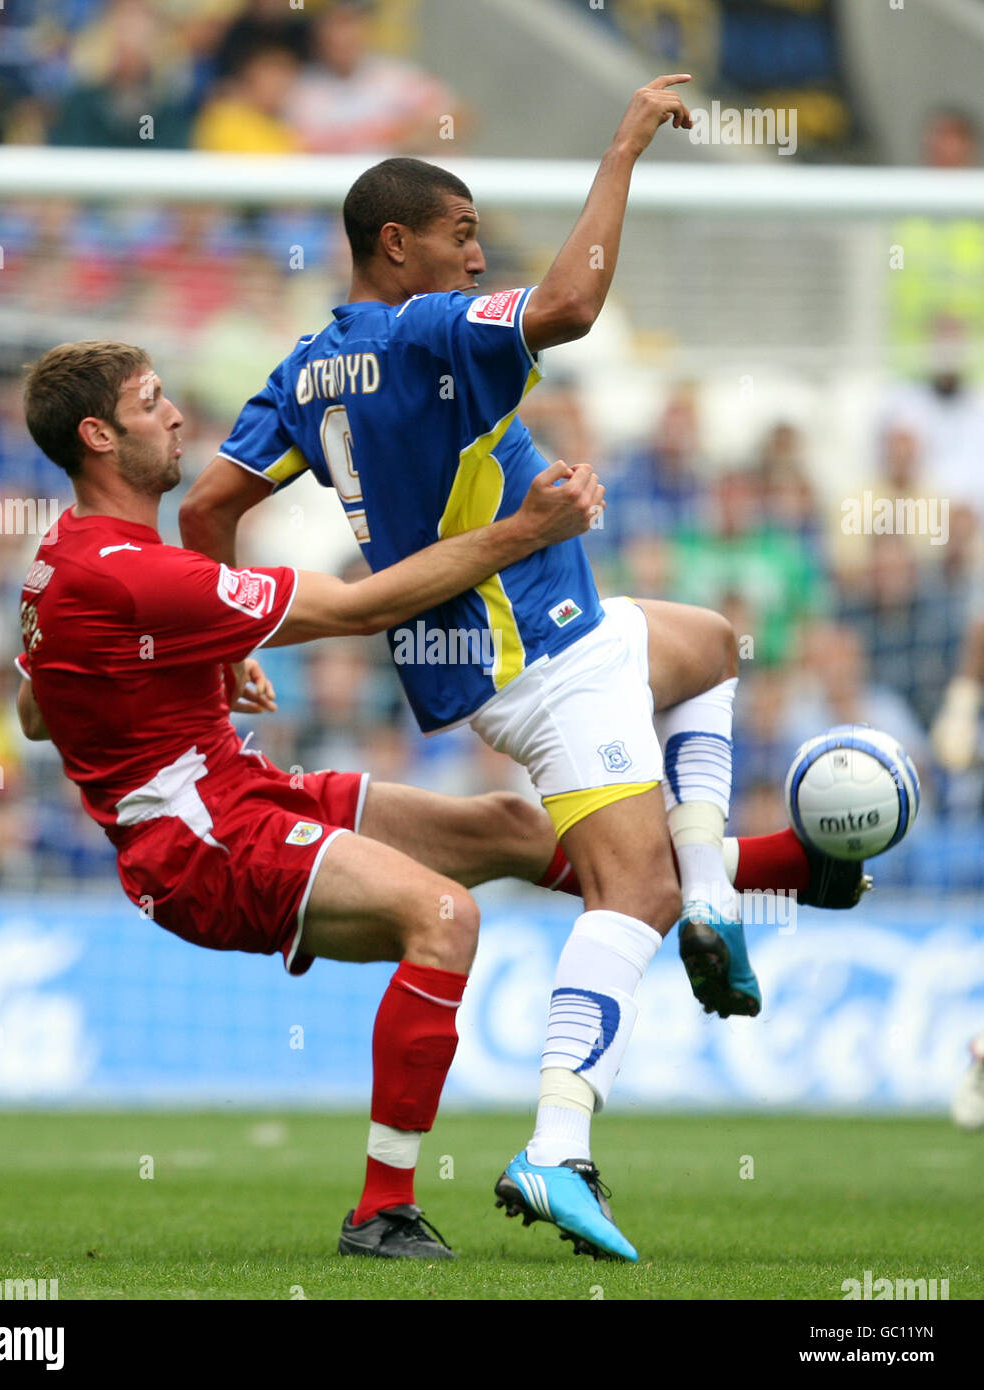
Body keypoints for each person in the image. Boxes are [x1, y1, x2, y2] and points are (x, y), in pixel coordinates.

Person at [179, 77, 870, 1260]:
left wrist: (227, 643)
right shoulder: (427, 327)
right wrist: (623, 146)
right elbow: (572, 303)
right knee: (627, 893)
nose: (471, 259)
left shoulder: (306, 367)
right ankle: (558, 1142)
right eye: (459, 239)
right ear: (395, 247)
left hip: (524, 639)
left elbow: (205, 506)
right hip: (536, 651)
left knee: (708, 645)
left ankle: (713, 892)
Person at [16, 339, 603, 1260]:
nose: (175, 415)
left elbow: (36, 711)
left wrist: (195, 657)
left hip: (236, 789)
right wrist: (523, 531)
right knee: (444, 919)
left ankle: (756, 874)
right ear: (97, 435)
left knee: (511, 827)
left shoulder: (73, 556)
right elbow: (363, 610)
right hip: (196, 842)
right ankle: (382, 1210)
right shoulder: (127, 570)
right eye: (151, 402)